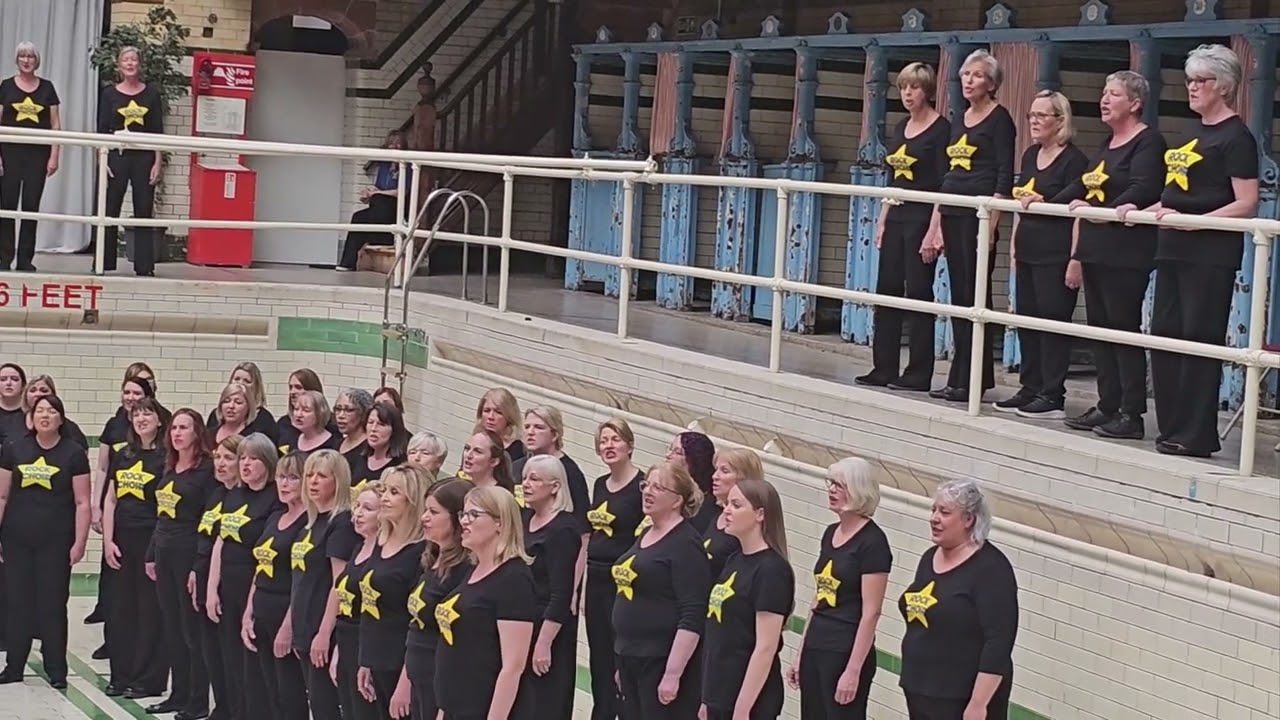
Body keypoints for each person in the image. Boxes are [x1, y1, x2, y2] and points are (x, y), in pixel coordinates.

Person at [1128, 44, 1259, 457]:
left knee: (1198, 340)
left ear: (1223, 86)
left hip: (1208, 255)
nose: (1192, 87)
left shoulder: (1237, 137)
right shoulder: (1196, 133)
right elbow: (1179, 194)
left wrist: (1196, 222)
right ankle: (1171, 426)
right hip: (1172, 249)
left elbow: (1246, 202)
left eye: (1201, 80)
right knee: (1166, 338)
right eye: (1189, 80)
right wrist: (1142, 210)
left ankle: (1197, 433)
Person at [1055, 71, 1166, 440]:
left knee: (1122, 329)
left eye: (1113, 94)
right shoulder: (1107, 143)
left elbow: (1143, 188)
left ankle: (1131, 414)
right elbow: (1086, 184)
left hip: (1125, 251)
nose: (1104, 99)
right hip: (1096, 248)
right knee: (1100, 329)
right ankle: (1107, 404)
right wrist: (1048, 199)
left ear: (1134, 103)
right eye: (1103, 92)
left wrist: (1100, 212)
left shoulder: (1148, 142)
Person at [923, 49, 1016, 402]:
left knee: (976, 295)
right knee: (959, 296)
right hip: (953, 210)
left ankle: (973, 377)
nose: (969, 80)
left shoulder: (1000, 120)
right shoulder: (959, 118)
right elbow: (949, 174)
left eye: (977, 75)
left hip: (979, 214)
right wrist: (936, 222)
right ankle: (960, 376)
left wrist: (991, 226)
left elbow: (1004, 175)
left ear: (991, 84)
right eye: (965, 74)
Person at [857, 62, 949, 391]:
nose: (908, 94)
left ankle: (918, 372)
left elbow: (944, 183)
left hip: (922, 217)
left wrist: (935, 229)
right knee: (887, 289)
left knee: (919, 292)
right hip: (897, 214)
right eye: (904, 87)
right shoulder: (900, 127)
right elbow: (894, 178)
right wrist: (883, 219)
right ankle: (883, 366)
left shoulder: (942, 130)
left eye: (915, 87)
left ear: (928, 91)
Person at [899, 479, 1017, 719]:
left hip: (961, 700)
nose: (934, 518)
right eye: (933, 510)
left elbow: (998, 643)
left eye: (944, 512)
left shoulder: (992, 569)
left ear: (968, 519)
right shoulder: (929, 558)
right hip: (920, 690)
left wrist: (978, 703)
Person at [1002, 90, 1089, 419]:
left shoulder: (1074, 160)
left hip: (1056, 251)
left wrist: (1075, 258)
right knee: (1027, 319)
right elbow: (1021, 204)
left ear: (1060, 120)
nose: (1034, 121)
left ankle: (1052, 393)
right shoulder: (1029, 155)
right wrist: (1014, 247)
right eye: (1031, 115)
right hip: (1028, 246)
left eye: (1042, 115)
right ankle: (1030, 385)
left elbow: (1076, 207)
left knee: (1053, 321)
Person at [788, 458, 893, 719]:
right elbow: (819, 597)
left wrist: (853, 670)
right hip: (817, 644)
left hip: (844, 649)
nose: (832, 490)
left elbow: (871, 612)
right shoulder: (830, 533)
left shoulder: (873, 542)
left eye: (840, 485)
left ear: (859, 490)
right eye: (831, 483)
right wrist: (801, 653)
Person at [0, 394, 91, 688]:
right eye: (40, 410)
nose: (45, 415)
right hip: (17, 539)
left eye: (52, 411)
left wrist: (80, 542)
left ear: (60, 418)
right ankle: (14, 666)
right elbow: (2, 495)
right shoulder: (14, 448)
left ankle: (56, 669)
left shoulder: (73, 453)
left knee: (52, 605)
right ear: (31, 417)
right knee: (18, 603)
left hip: (56, 541)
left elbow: (82, 502)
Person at [612, 462, 710, 719]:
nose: (648, 491)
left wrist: (672, 673)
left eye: (658, 487)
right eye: (646, 485)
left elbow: (693, 613)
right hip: (630, 655)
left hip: (658, 659)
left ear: (677, 500)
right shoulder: (646, 533)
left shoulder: (686, 544)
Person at [433, 485, 536, 720]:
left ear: (500, 522)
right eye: (463, 514)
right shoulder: (474, 570)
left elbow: (513, 667)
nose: (464, 522)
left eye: (474, 515)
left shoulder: (514, 579)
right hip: (455, 707)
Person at [701, 478, 794, 720]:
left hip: (749, 698)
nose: (727, 510)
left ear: (760, 514)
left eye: (736, 505)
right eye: (727, 504)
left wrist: (743, 708)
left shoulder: (772, 570)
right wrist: (707, 698)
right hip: (719, 692)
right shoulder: (735, 559)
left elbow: (765, 647)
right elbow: (718, 634)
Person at [205, 433, 283, 720]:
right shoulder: (235, 494)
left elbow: (265, 553)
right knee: (231, 658)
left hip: (253, 583)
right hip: (228, 584)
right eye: (243, 458)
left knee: (253, 661)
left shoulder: (274, 498)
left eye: (253, 459)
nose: (246, 464)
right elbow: (220, 541)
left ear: (268, 462)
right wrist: (211, 589)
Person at [147, 408, 214, 720]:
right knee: (172, 628)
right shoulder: (170, 467)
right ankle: (179, 693)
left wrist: (198, 566)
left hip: (189, 553)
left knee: (191, 631)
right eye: (174, 428)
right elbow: (162, 514)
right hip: (165, 552)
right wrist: (151, 553)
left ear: (197, 433)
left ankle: (198, 699)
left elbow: (208, 522)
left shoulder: (206, 471)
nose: (177, 433)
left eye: (184, 428)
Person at [102, 397, 170, 699]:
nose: (141, 418)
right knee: (120, 610)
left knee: (149, 611)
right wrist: (108, 540)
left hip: (150, 540)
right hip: (121, 540)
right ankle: (121, 675)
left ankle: (148, 679)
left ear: (159, 420)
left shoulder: (165, 458)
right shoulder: (124, 454)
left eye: (147, 413)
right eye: (137, 414)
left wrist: (155, 550)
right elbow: (111, 499)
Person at [583, 419, 644, 720]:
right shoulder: (599, 484)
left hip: (623, 583)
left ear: (630, 446)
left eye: (615, 439)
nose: (609, 445)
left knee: (620, 655)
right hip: (595, 578)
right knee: (599, 657)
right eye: (603, 441)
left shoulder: (641, 487)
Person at [289, 449, 358, 720]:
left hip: (322, 626)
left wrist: (324, 632)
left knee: (325, 706)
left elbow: (339, 583)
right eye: (309, 475)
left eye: (322, 476)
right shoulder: (310, 522)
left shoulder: (340, 523)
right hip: (304, 623)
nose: (313, 481)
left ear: (338, 481)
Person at [355, 465, 427, 718]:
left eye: (394, 492)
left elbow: (418, 622)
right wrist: (366, 660)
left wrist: (405, 683)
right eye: (384, 490)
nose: (384, 497)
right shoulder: (382, 541)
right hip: (376, 658)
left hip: (401, 664)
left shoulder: (421, 553)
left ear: (413, 500)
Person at [242, 452, 308, 720]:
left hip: (285, 612)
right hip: (262, 609)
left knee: (289, 690)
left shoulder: (308, 524)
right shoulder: (275, 517)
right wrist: (248, 613)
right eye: (281, 477)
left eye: (292, 477)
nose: (284, 483)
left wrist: (288, 627)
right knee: (270, 689)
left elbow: (302, 581)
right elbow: (260, 568)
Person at [398, 478, 471, 720]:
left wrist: (444, 705)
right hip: (417, 675)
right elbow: (416, 627)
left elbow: (455, 639)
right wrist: (404, 681)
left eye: (433, 512)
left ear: (457, 518)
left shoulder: (464, 569)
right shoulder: (433, 559)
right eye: (425, 510)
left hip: (438, 681)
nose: (424, 518)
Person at [520, 455, 583, 718]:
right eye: (525, 478)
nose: (526, 484)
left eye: (534, 479)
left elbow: (561, 593)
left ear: (555, 486)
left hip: (548, 627)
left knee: (544, 702)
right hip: (523, 622)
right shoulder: (525, 518)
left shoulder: (563, 529)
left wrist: (544, 642)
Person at [97, 45, 164, 276]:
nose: (130, 63)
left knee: (143, 208)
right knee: (110, 207)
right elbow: (101, 129)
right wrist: (102, 159)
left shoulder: (152, 94)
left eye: (134, 59)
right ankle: (103, 262)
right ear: (119, 65)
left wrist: (157, 162)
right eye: (125, 60)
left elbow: (158, 130)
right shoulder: (109, 94)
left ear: (140, 64)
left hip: (144, 157)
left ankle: (144, 266)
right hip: (117, 155)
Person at [0, 41, 61, 272]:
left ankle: (25, 259)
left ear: (37, 61)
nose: (26, 60)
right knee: (6, 206)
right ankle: (4, 258)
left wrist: (54, 155)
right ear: (17, 60)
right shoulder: (6, 86)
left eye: (31, 56)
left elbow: (56, 125)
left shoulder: (47, 88)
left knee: (30, 206)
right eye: (22, 56)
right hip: (9, 154)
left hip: (37, 155)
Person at [337, 130, 408, 271]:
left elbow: (402, 191)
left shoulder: (408, 166)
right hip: (379, 208)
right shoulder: (384, 166)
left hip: (395, 207)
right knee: (358, 217)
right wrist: (368, 194)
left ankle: (382, 237)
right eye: (391, 144)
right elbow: (378, 187)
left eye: (398, 144)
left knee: (380, 200)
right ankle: (347, 263)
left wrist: (377, 193)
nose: (394, 147)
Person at [704, 447, 764, 579]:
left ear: (744, 479)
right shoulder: (716, 513)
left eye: (724, 471)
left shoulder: (747, 524)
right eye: (716, 469)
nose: (715, 476)